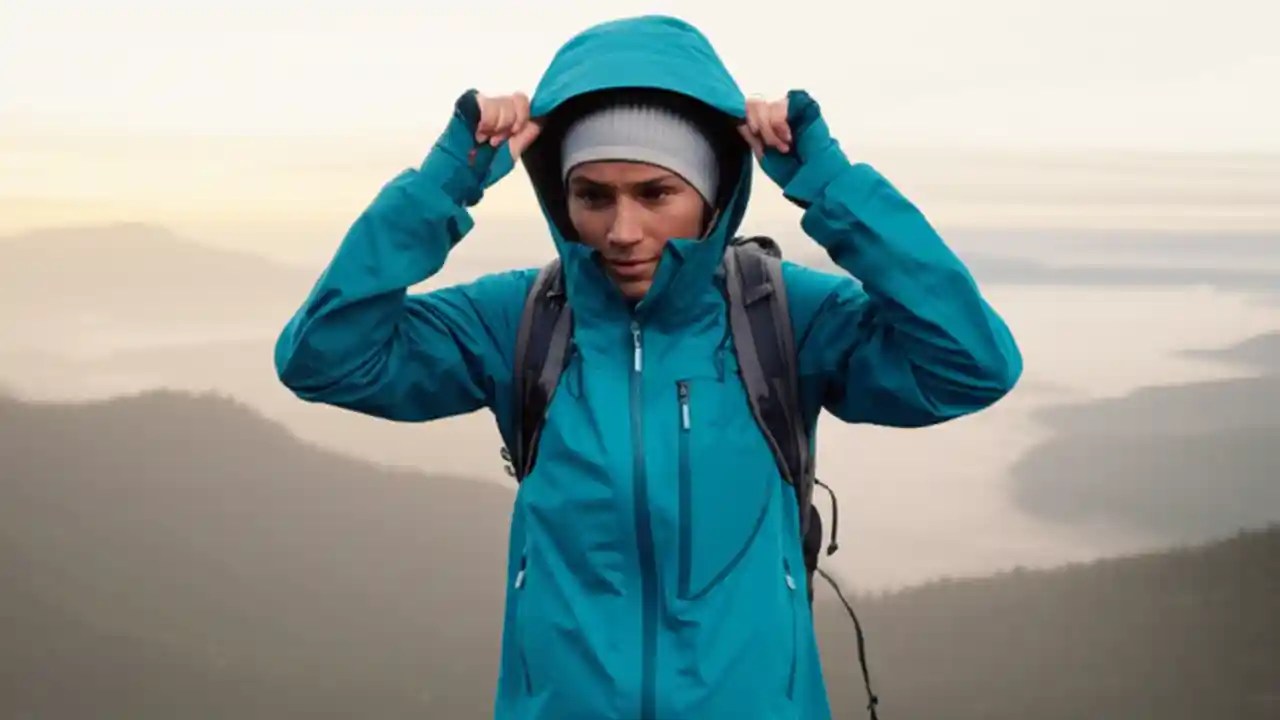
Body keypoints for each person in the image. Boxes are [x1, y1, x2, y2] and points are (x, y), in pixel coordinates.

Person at [274, 13, 1022, 720]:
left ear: (712, 193)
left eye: (656, 193)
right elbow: (323, 358)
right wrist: (445, 182)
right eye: (592, 197)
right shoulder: (523, 320)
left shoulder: (780, 316)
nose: (623, 231)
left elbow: (970, 363)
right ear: (558, 197)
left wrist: (828, 186)